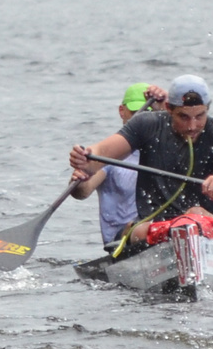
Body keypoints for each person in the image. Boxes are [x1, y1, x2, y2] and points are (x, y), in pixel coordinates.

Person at [66, 74, 213, 248]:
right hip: (152, 225)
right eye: (184, 117)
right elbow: (101, 152)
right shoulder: (147, 124)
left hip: (207, 225)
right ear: (169, 108)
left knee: (194, 215)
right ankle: (172, 233)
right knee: (137, 229)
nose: (192, 126)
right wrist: (85, 158)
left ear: (208, 109)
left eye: (200, 116)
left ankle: (180, 232)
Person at [67, 84, 156, 245]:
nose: (143, 120)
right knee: (146, 229)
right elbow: (82, 192)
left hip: (159, 231)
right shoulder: (111, 155)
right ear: (122, 111)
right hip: (121, 240)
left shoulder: (166, 152)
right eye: (136, 113)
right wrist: (79, 180)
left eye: (150, 114)